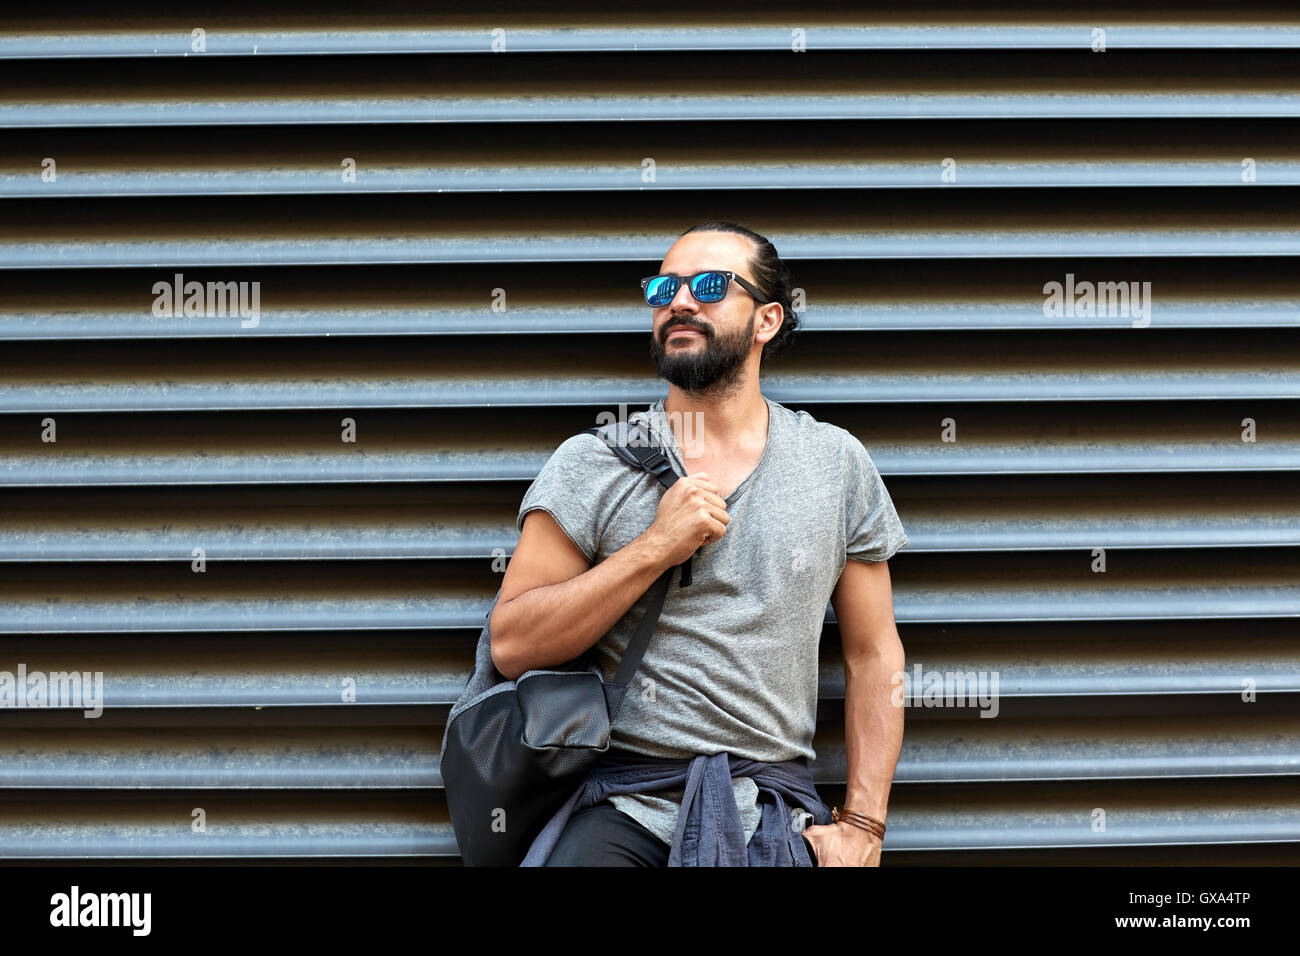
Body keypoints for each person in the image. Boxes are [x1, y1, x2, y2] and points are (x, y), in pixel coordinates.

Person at [488, 220, 909, 866]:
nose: (679, 301)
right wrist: (654, 547)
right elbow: (513, 644)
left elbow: (874, 654)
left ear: (767, 320)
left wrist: (863, 825)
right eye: (664, 289)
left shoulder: (835, 464)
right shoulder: (593, 464)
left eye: (709, 286)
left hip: (770, 811)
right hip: (625, 803)